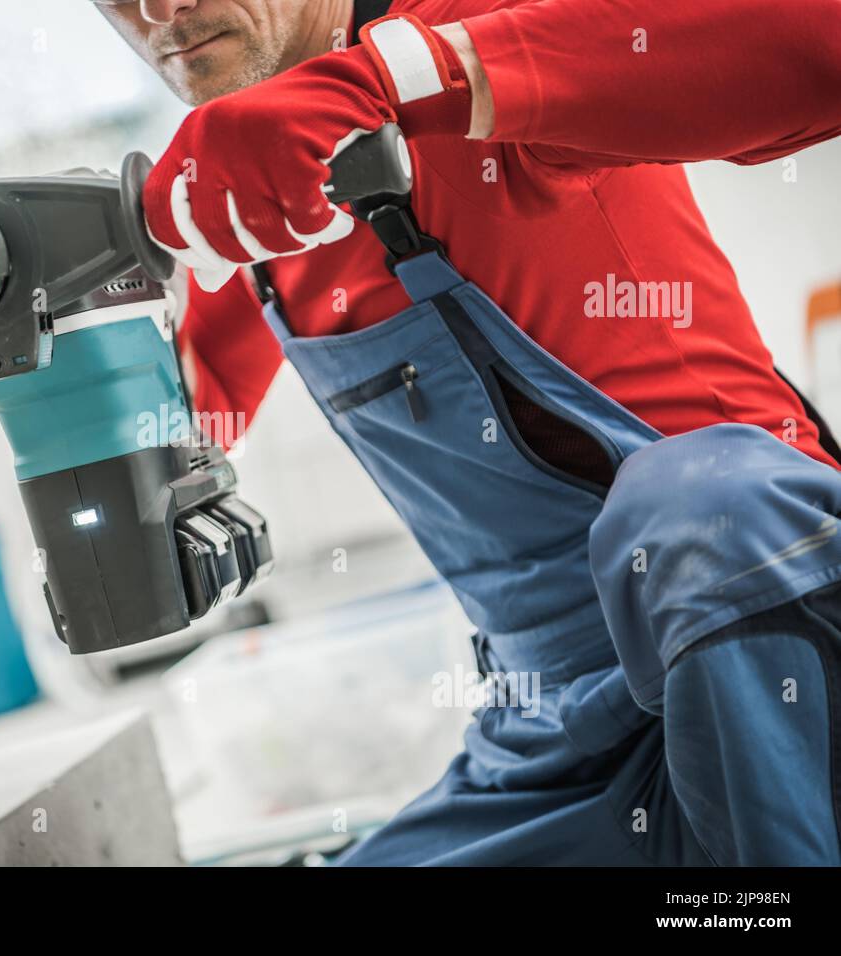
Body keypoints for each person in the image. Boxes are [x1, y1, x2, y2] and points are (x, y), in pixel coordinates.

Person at [94, 0, 841, 865]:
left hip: (771, 630)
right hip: (558, 729)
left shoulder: (470, 26)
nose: (159, 11)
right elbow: (183, 436)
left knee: (700, 506)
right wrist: (65, 347)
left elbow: (816, 43)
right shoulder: (252, 192)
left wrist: (392, 82)